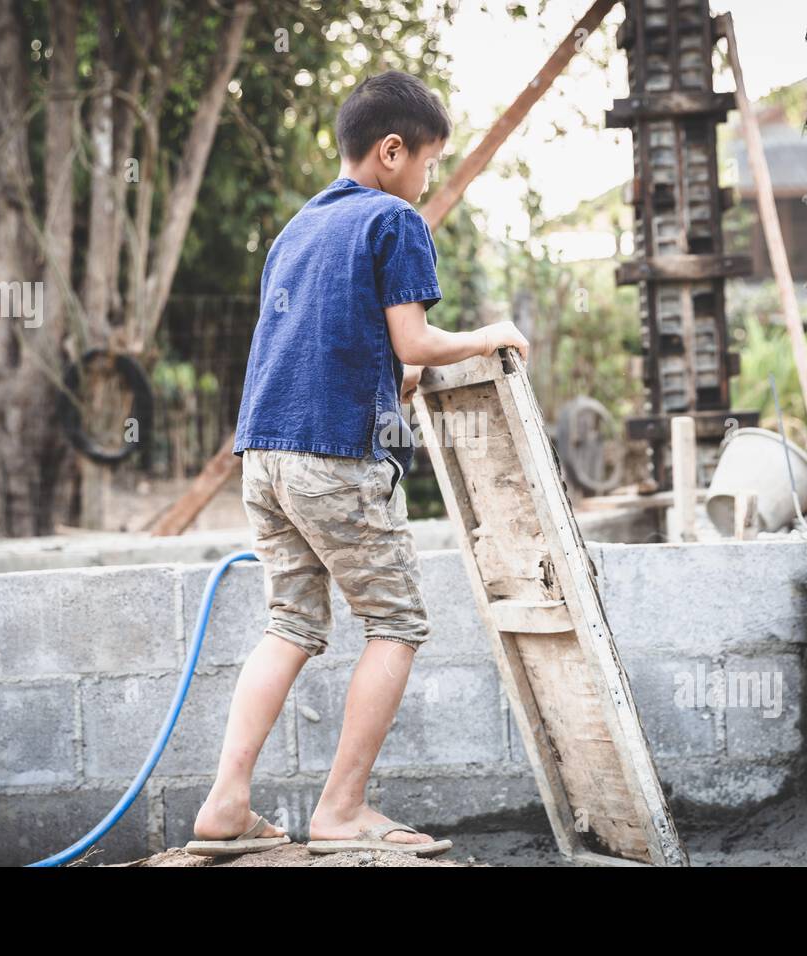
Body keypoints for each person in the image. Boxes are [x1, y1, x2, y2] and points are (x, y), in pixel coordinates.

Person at [191, 69, 528, 855]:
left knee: (289, 623)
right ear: (391, 152)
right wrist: (490, 336)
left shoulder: (298, 229)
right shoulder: (394, 220)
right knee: (397, 624)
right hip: (334, 459)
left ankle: (225, 805)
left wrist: (393, 378)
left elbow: (340, 343)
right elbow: (414, 340)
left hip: (265, 455)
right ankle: (341, 809)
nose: (428, 178)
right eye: (429, 162)